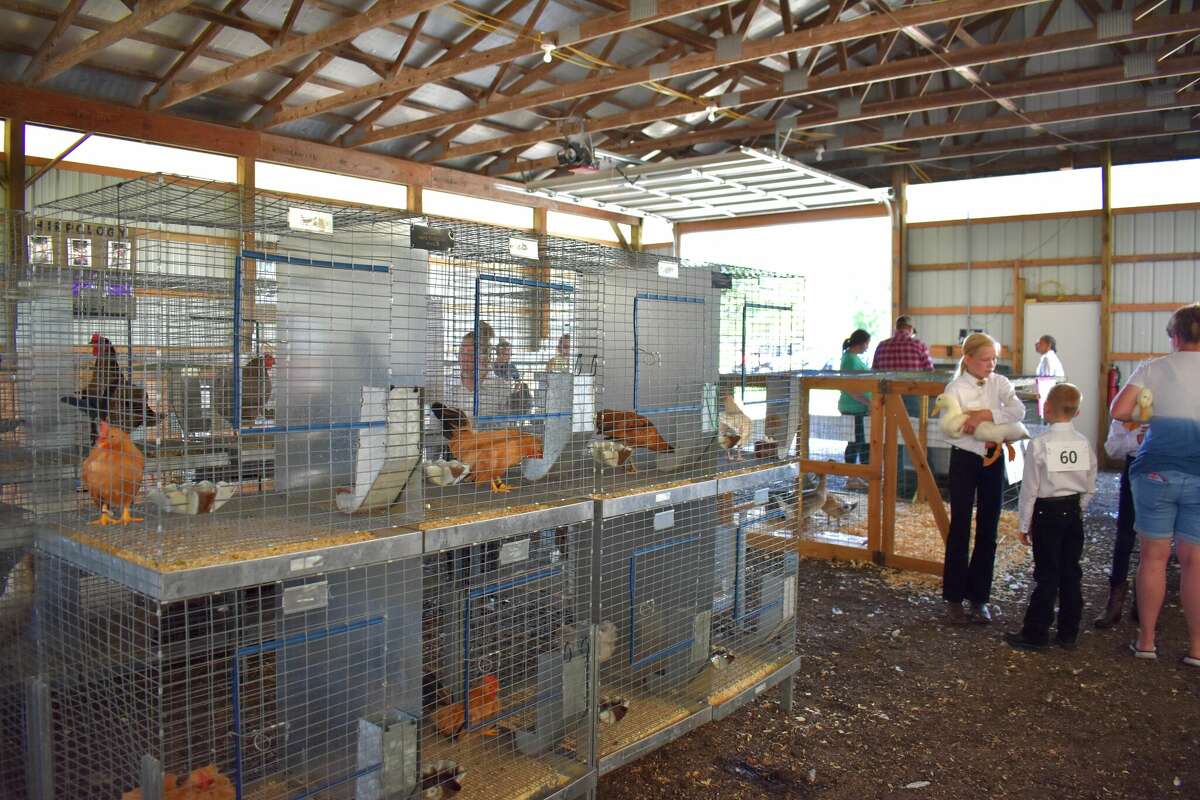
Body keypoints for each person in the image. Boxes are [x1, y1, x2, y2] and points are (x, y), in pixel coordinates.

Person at [1109, 303, 1200, 665]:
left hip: (1155, 471)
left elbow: (1119, 410)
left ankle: (1146, 641)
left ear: (1174, 336)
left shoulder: (1153, 368)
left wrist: (1150, 413)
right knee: (1194, 563)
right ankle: (1196, 647)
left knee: (1153, 557)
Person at [941, 332, 1026, 625]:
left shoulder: (1000, 383)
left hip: (993, 458)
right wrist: (978, 425)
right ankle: (954, 598)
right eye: (985, 359)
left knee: (989, 526)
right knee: (960, 526)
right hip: (964, 459)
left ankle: (980, 598)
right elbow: (950, 428)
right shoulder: (955, 388)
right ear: (968, 359)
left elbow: (1019, 410)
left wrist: (984, 415)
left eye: (994, 359)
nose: (991, 364)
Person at [1004, 383, 1097, 651]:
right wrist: (1079, 507)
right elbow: (1090, 485)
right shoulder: (1083, 443)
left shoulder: (1040, 444)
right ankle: (1068, 632)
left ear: (1045, 408)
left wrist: (1024, 524)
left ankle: (1036, 633)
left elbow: (1030, 489)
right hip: (1073, 512)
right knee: (1071, 571)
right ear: (1077, 412)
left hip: (1047, 513)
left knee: (1047, 574)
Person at [871, 315, 934, 499]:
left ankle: (894, 488)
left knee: (891, 442)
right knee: (918, 438)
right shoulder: (919, 345)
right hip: (913, 396)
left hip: (888, 398)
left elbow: (874, 372)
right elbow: (930, 373)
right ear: (911, 329)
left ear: (897, 327)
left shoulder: (882, 346)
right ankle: (924, 487)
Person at [1094, 417, 1147, 628]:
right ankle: (1115, 602)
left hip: (1164, 469)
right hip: (1135, 467)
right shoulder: (1127, 411)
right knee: (1125, 535)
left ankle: (1144, 600)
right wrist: (1136, 439)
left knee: (1154, 540)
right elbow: (1112, 448)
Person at [837, 329, 871, 490]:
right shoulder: (850, 359)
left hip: (858, 406)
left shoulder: (852, 358)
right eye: (867, 343)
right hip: (853, 406)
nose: (868, 347)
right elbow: (849, 387)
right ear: (862, 343)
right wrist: (868, 402)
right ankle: (851, 477)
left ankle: (860, 475)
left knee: (860, 442)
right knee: (855, 442)